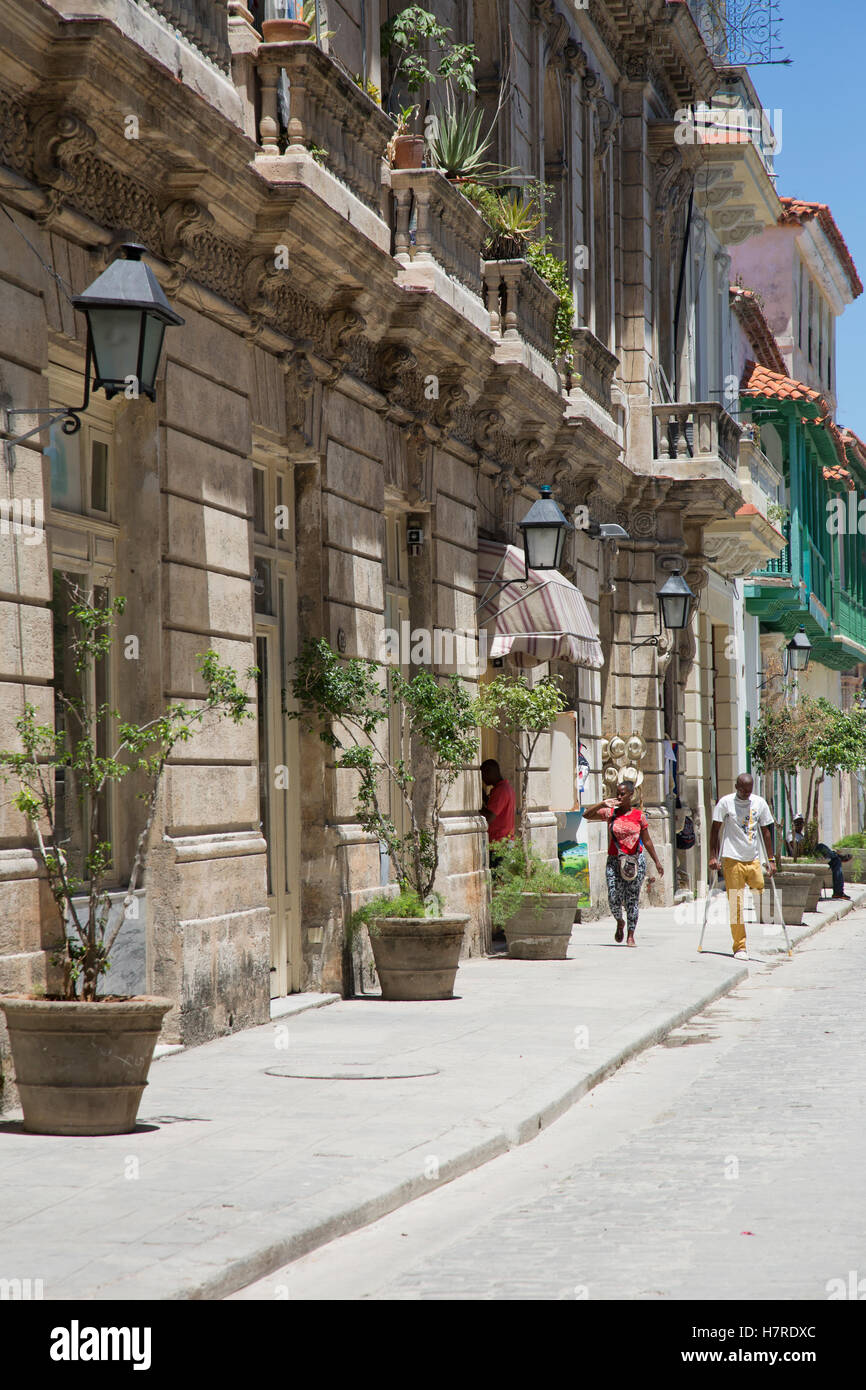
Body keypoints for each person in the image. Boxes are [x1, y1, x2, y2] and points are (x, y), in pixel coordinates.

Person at [584, 780, 663, 947]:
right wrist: (602, 803)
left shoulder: (638, 816)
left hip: (635, 861)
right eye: (617, 793)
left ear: (631, 795)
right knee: (613, 897)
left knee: (632, 898)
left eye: (622, 794)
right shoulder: (611, 813)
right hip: (614, 860)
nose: (619, 797)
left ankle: (631, 935)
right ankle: (620, 921)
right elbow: (586, 815)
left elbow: (646, 840)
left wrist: (657, 861)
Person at [709, 773, 775, 960]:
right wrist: (713, 857)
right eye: (743, 790)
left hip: (753, 858)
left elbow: (766, 831)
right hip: (731, 859)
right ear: (736, 786)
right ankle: (740, 947)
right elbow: (715, 830)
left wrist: (771, 860)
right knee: (735, 904)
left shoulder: (759, 803)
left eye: (749, 790)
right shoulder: (725, 803)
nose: (746, 794)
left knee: (759, 886)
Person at [786, 814, 851, 899]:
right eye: (797, 823)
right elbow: (795, 847)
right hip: (802, 857)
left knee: (836, 862)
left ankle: (838, 892)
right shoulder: (791, 834)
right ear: (793, 824)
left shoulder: (801, 834)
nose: (800, 825)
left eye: (801, 823)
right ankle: (837, 856)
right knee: (820, 847)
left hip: (811, 856)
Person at [480, 759, 515, 869]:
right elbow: (494, 807)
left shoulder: (501, 791)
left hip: (499, 844)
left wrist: (477, 810)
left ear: (489, 772)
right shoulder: (504, 788)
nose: (482, 778)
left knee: (497, 880)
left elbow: (489, 817)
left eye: (483, 774)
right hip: (504, 842)